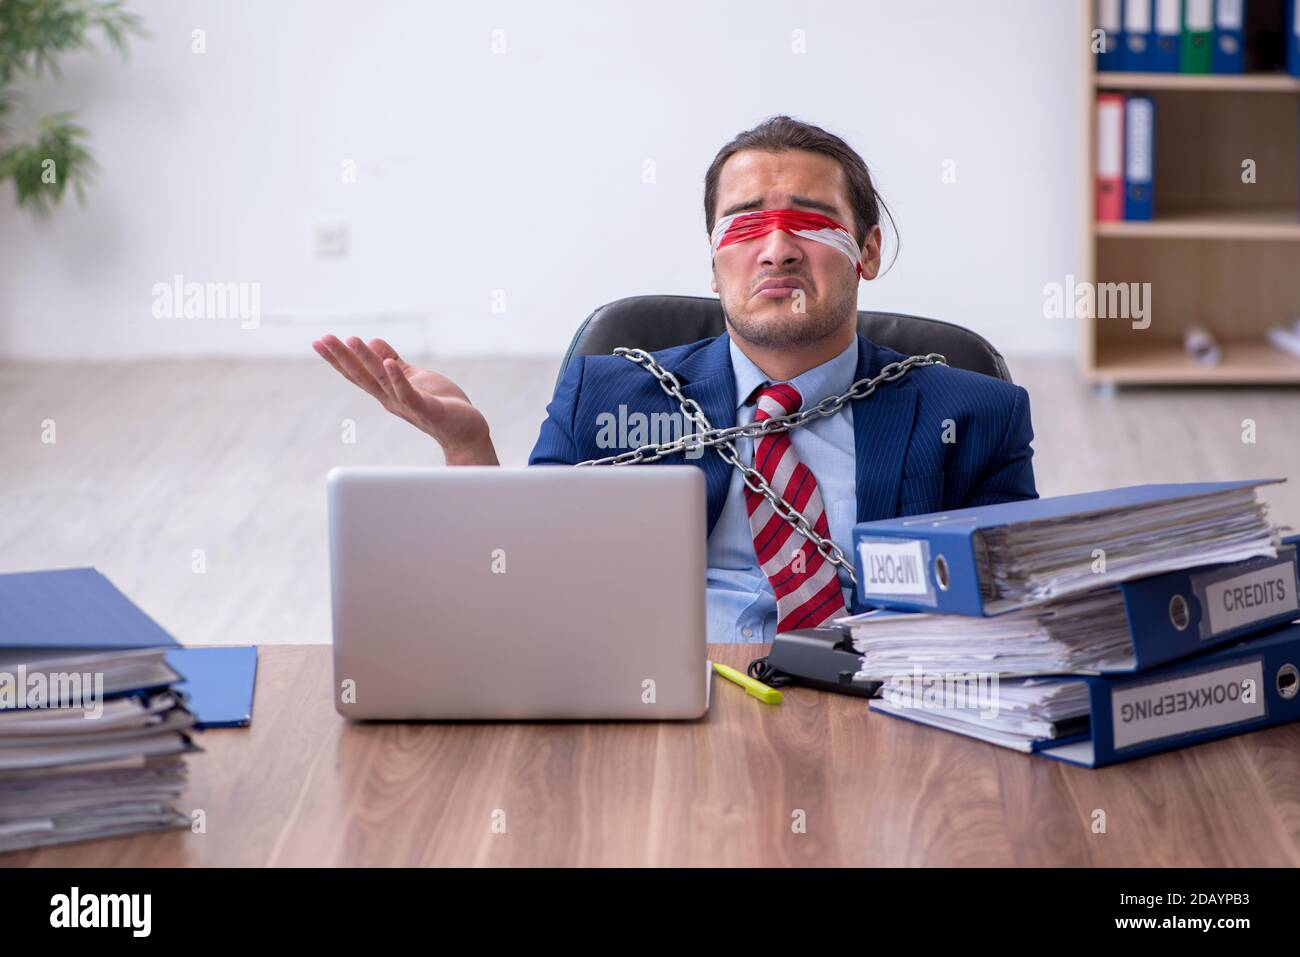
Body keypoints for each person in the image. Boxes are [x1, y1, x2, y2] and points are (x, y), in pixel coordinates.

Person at [313, 115, 1037, 642]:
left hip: (874, 713)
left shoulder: (973, 413)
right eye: (745, 225)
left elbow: (1018, 621)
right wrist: (469, 452)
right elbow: (521, 595)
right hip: (662, 707)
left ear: (868, 251)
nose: (777, 250)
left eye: (811, 223)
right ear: (713, 258)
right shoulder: (608, 397)